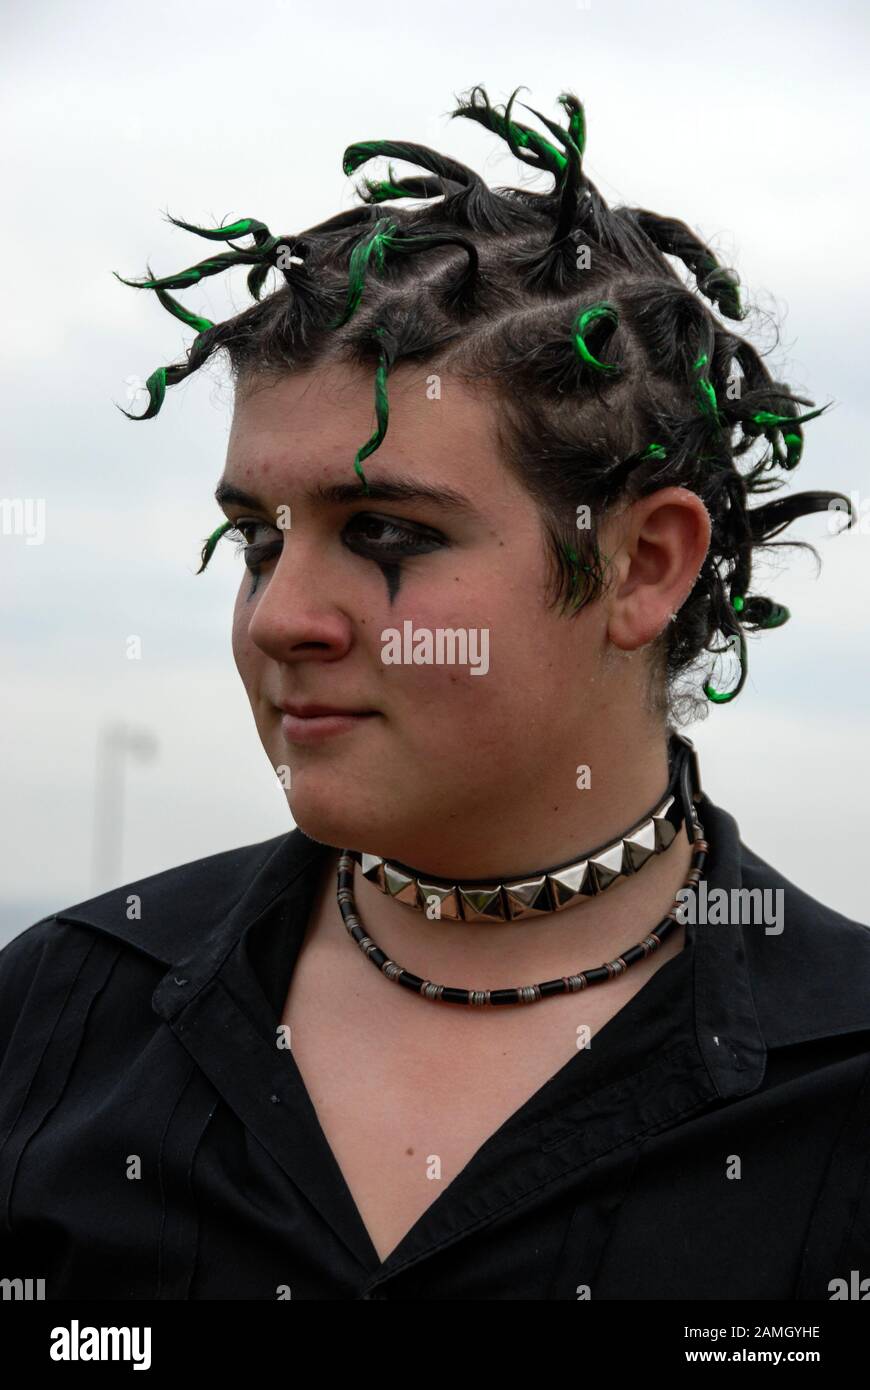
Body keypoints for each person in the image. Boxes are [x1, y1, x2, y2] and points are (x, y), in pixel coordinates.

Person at [1, 84, 868, 1302]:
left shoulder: (838, 1078)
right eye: (258, 542)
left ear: (642, 564)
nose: (281, 618)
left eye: (389, 533)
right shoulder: (64, 1011)